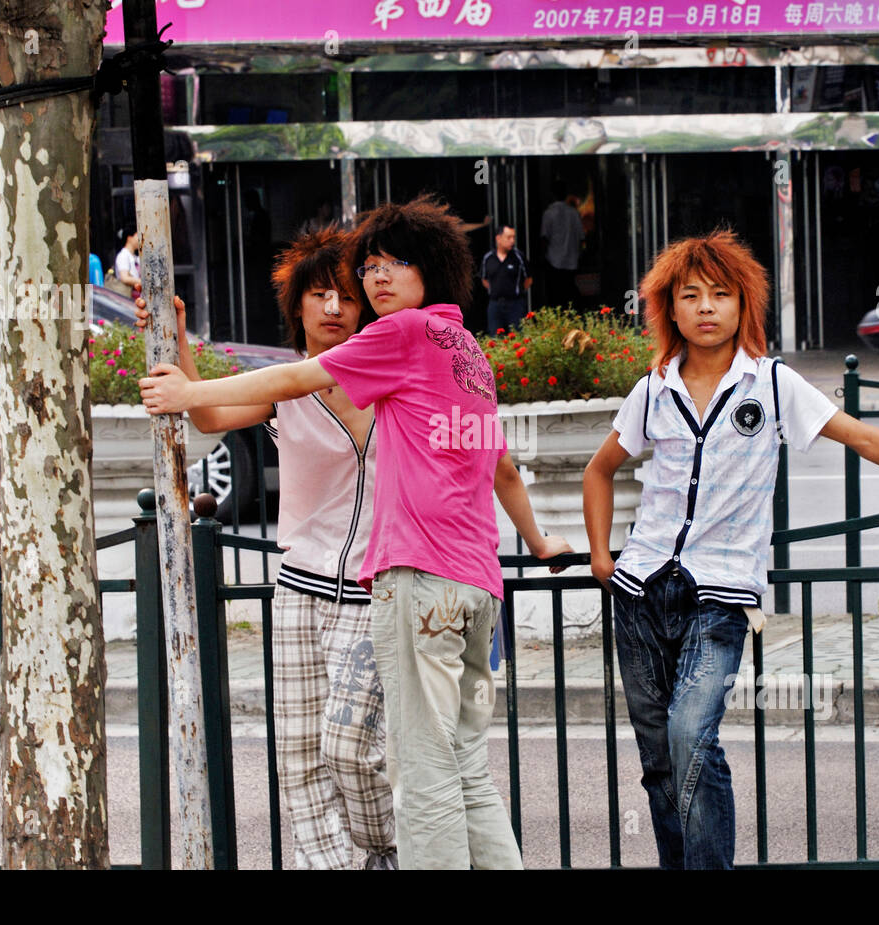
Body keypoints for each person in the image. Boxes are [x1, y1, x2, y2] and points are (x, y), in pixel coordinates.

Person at [139, 195, 572, 869]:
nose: (369, 284)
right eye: (365, 267)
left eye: (392, 265)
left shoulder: (396, 343)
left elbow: (300, 377)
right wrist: (539, 543)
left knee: (417, 772)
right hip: (460, 584)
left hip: (409, 583)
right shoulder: (464, 352)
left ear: (430, 270)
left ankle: (388, 859)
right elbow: (497, 462)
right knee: (455, 770)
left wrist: (183, 391)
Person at [582, 229, 879, 870]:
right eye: (691, 296)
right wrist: (603, 557)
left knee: (693, 736)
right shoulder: (652, 388)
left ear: (744, 305)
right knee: (659, 761)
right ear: (671, 308)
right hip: (640, 592)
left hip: (718, 597)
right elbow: (598, 470)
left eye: (721, 294)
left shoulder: (772, 385)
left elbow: (863, 438)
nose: (707, 307)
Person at [133, 227, 399, 870]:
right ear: (298, 309)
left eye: (345, 296)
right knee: (302, 758)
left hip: (371, 592)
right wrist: (174, 328)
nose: (334, 308)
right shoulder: (282, 385)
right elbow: (208, 416)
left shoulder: (390, 377)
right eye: (319, 296)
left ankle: (384, 852)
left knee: (353, 748)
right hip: (300, 590)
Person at [480, 224, 532, 335]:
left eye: (514, 237)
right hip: (495, 304)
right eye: (508, 237)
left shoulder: (518, 256)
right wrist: (495, 289)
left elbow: (528, 279)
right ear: (498, 238)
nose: (512, 241)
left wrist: (517, 290)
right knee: (494, 338)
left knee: (518, 336)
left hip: (515, 304)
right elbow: (484, 279)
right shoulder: (488, 258)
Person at [540, 181, 583, 308]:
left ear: (552, 195)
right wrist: (579, 255)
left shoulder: (549, 213)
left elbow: (544, 237)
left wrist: (543, 257)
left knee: (555, 295)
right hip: (571, 261)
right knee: (570, 293)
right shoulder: (574, 213)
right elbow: (581, 238)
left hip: (554, 261)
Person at [113, 225, 142, 298]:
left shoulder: (135, 257)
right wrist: (143, 282)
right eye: (137, 236)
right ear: (129, 238)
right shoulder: (123, 255)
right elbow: (124, 278)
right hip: (128, 298)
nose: (140, 239)